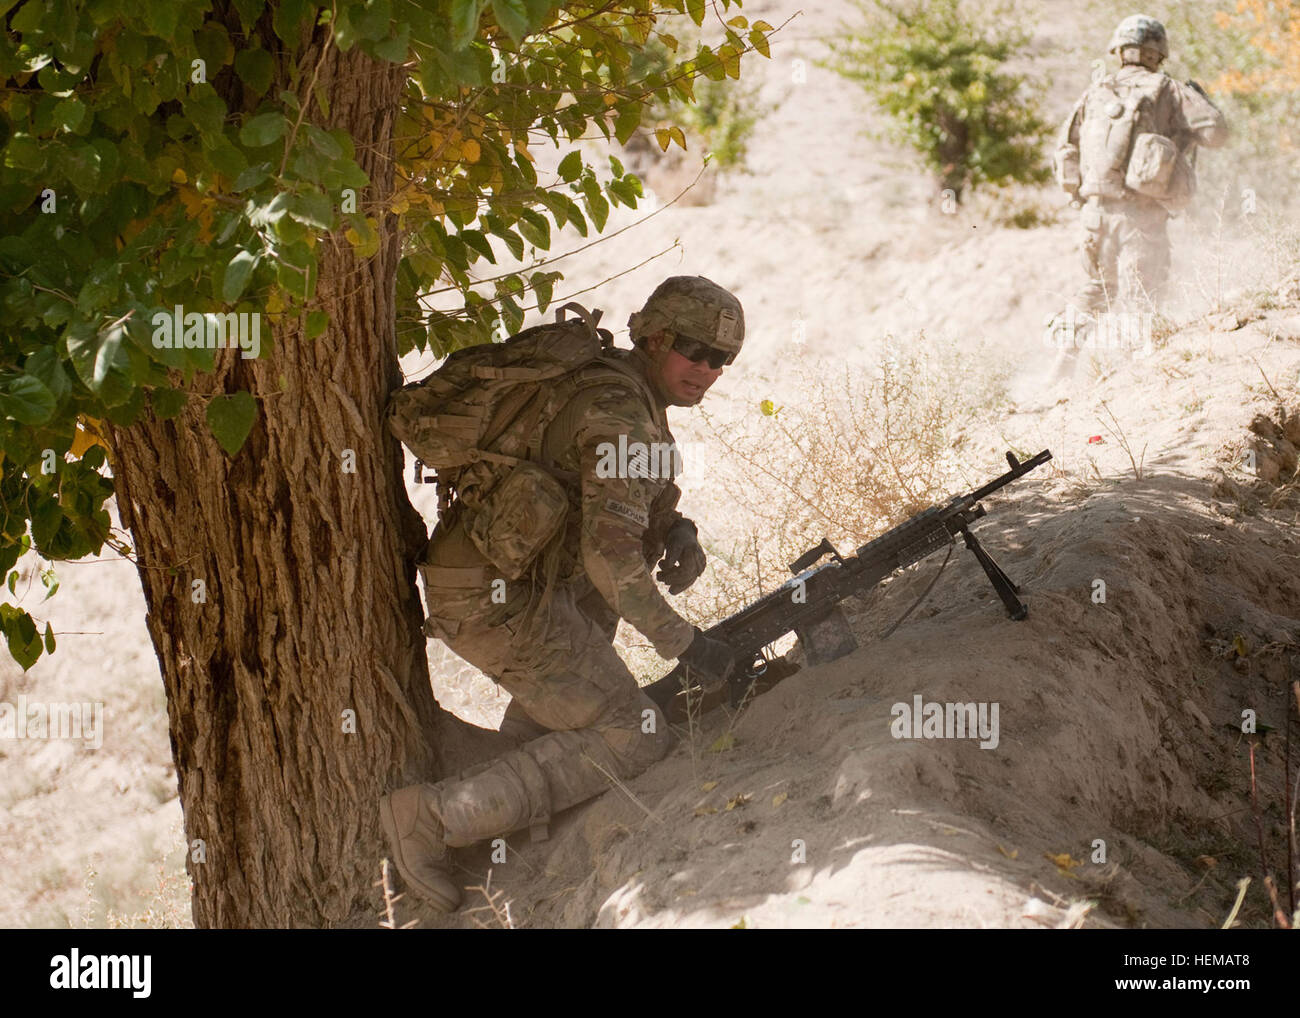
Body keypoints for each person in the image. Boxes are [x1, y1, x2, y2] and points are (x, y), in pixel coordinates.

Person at [380, 276, 743, 912]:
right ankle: (430, 820)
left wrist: (676, 528)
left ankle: (510, 805)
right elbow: (610, 559)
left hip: (520, 582)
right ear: (656, 337)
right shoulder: (621, 411)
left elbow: (619, 500)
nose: (708, 370)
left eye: (722, 359)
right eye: (695, 350)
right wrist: (686, 645)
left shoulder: (620, 386)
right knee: (635, 733)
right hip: (493, 598)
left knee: (570, 721)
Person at [1047, 15, 1227, 375]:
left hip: (1093, 215)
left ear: (1120, 50)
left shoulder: (1095, 92)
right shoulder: (1168, 89)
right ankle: (1131, 379)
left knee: (1095, 288)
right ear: (1157, 52)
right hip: (1140, 216)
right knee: (1142, 295)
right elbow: (1216, 133)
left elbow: (1066, 149)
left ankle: (1061, 368)